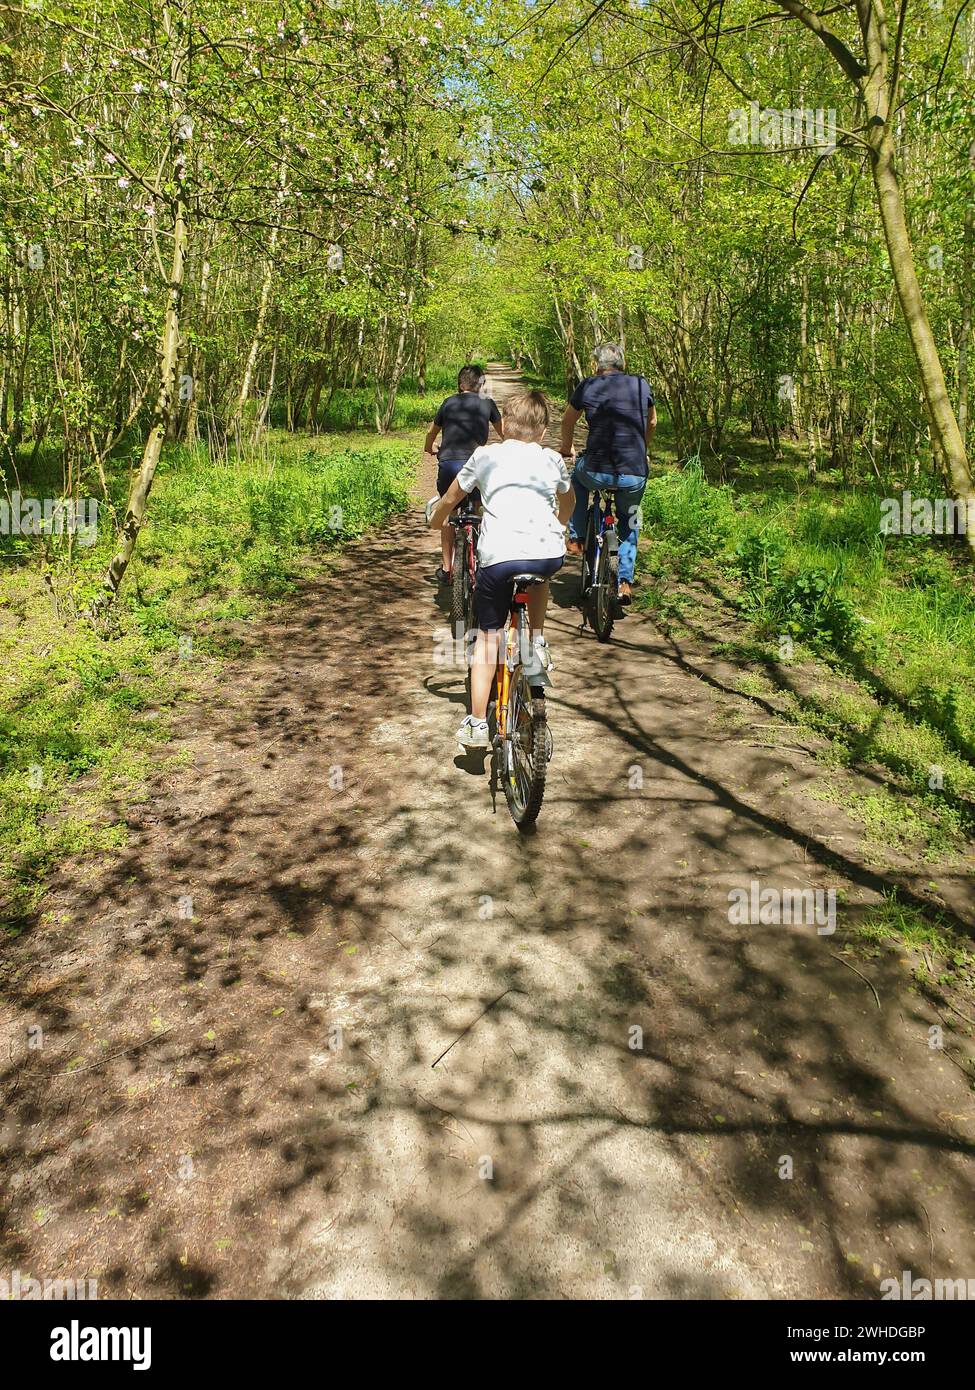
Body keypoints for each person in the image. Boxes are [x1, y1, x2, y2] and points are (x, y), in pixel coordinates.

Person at [426, 391, 574, 749]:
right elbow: (568, 502)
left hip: (499, 559)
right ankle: (536, 642)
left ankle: (478, 723)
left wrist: (436, 519)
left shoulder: (485, 455)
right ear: (544, 431)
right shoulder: (553, 459)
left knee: (488, 639)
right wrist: (560, 525)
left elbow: (451, 498)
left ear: (503, 425)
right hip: (547, 555)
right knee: (539, 575)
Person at [559, 343, 657, 605]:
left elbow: (568, 420)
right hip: (634, 474)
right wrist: (643, 450)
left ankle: (577, 537)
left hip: (595, 471)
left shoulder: (588, 385)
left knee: (576, 479)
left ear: (597, 366)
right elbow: (652, 421)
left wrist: (567, 448)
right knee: (631, 518)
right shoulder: (641, 385)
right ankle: (625, 583)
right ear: (623, 364)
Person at [424, 364, 503, 583]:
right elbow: (505, 433)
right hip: (477, 466)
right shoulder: (487, 403)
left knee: (448, 511)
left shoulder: (449, 402)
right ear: (481, 385)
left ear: (460, 384)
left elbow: (431, 433)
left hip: (449, 464)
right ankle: (479, 558)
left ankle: (447, 568)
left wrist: (429, 447)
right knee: (477, 508)